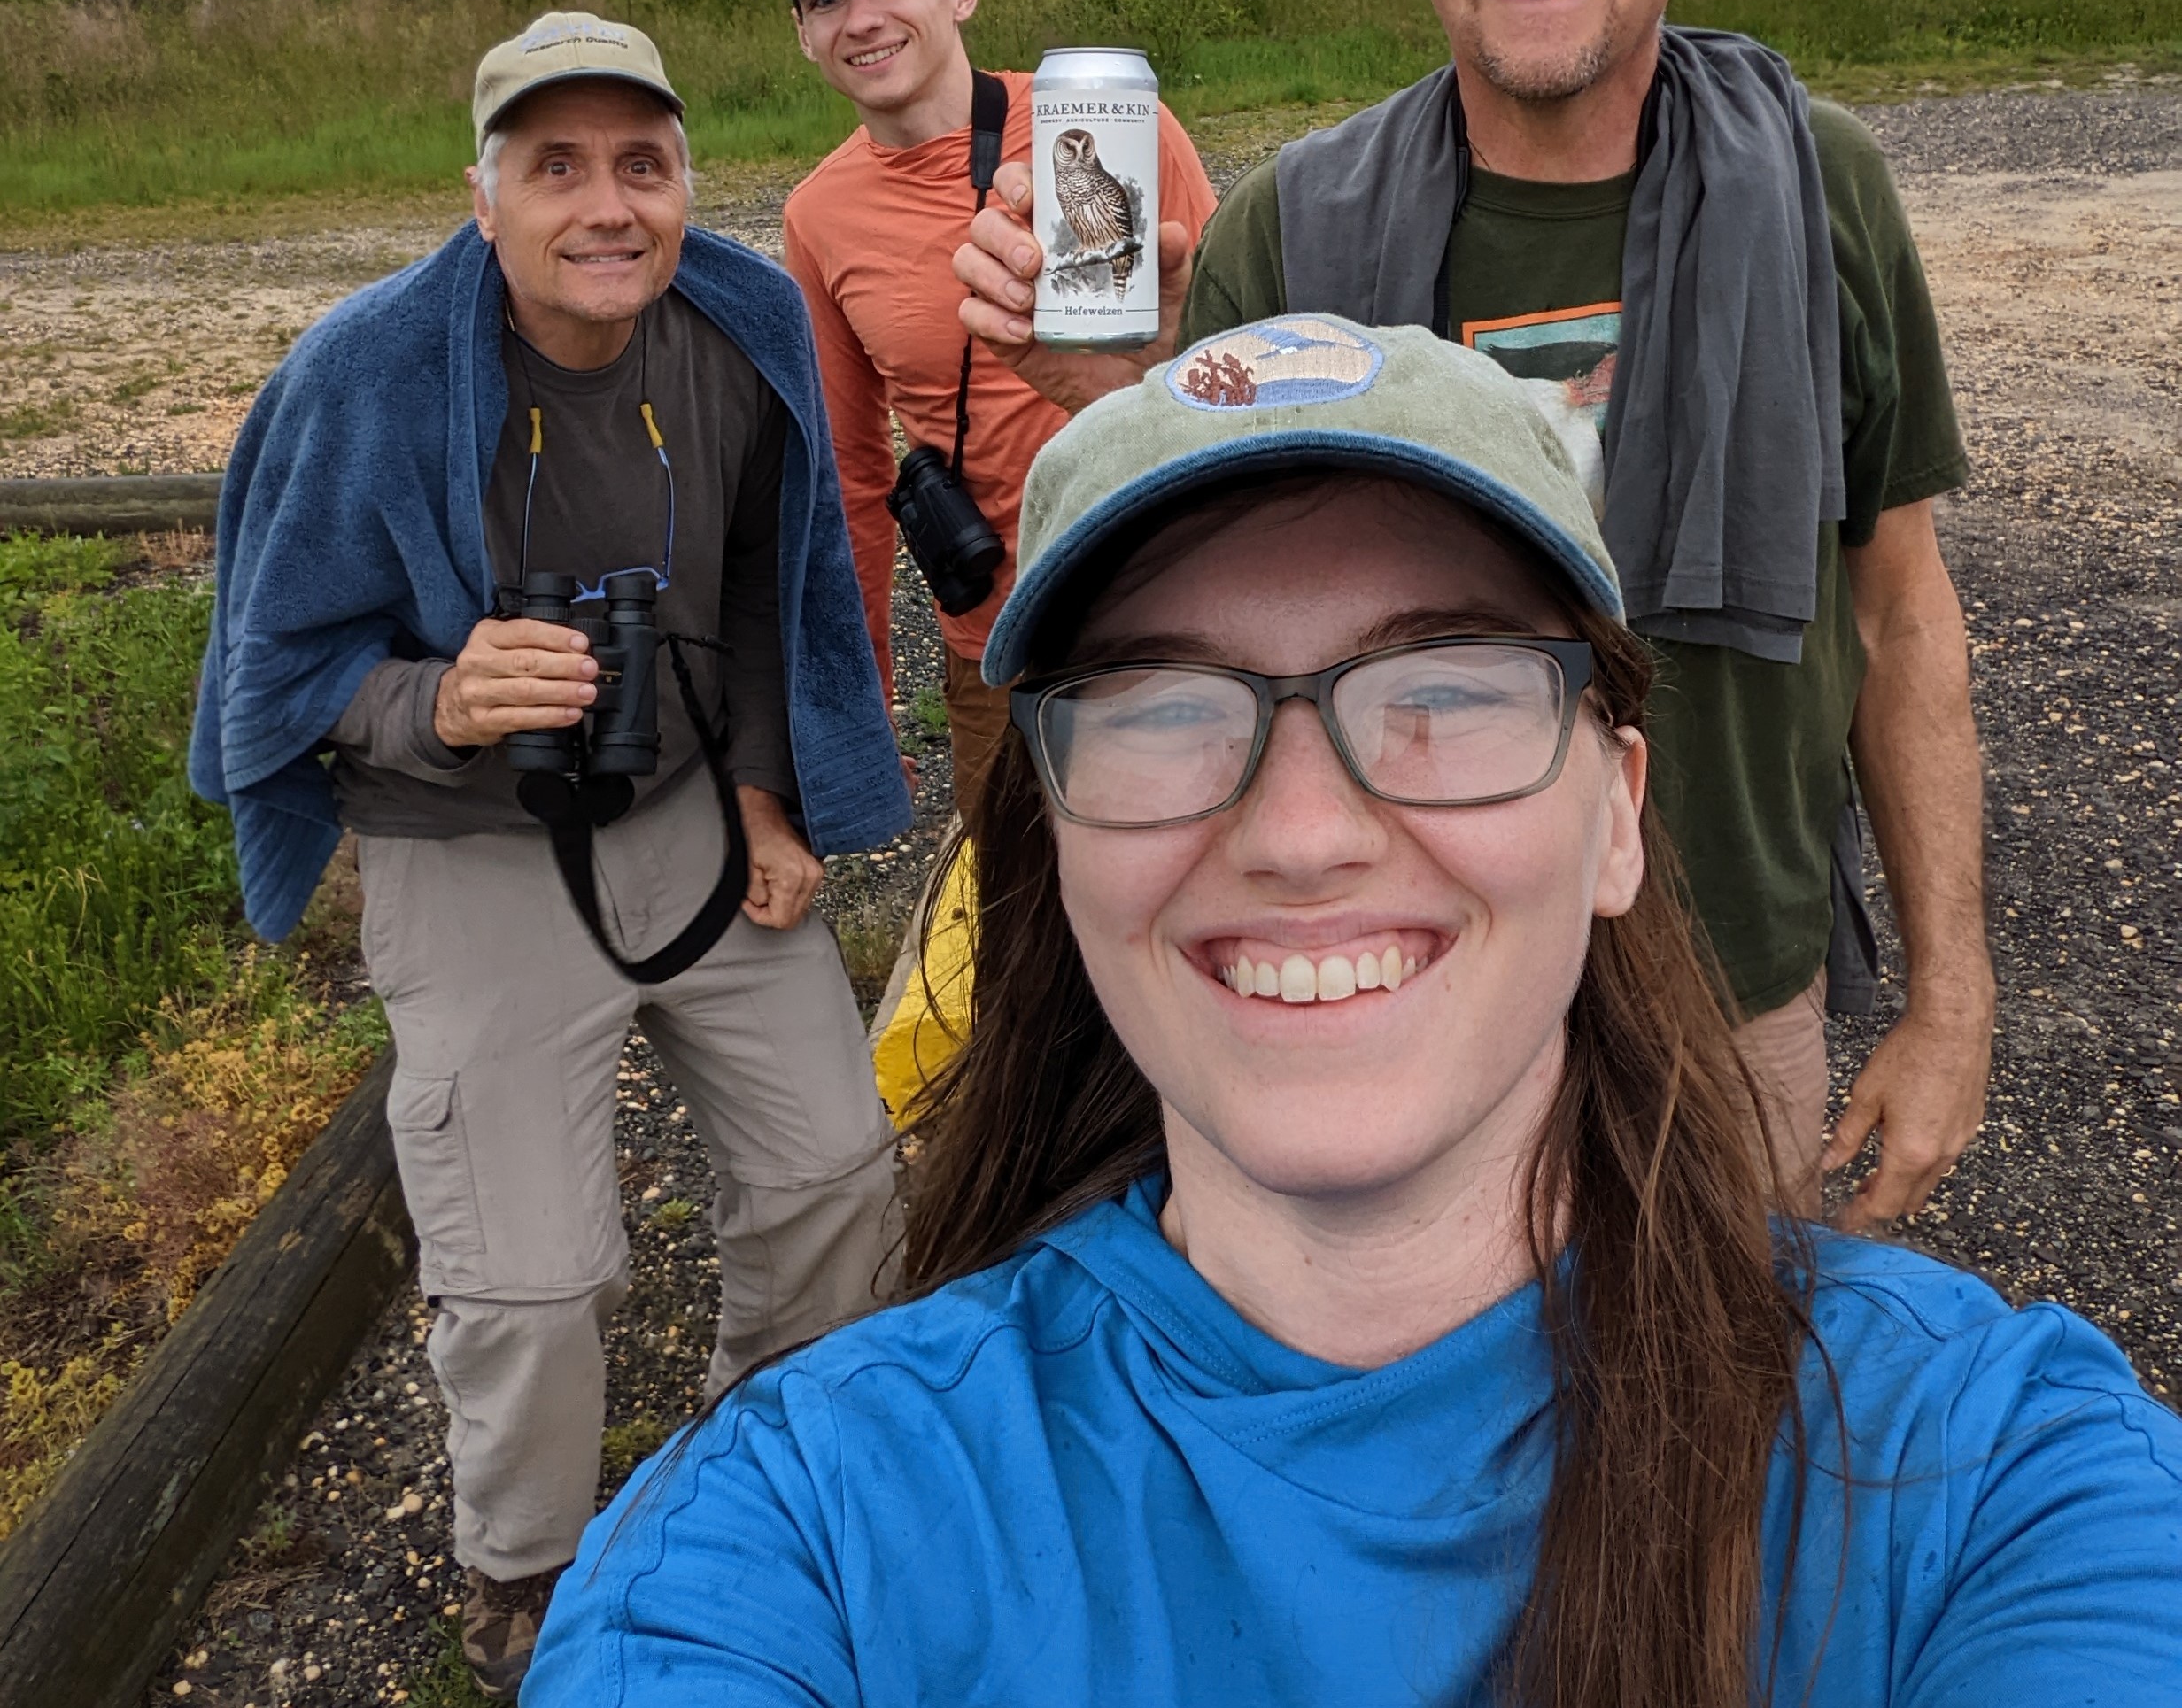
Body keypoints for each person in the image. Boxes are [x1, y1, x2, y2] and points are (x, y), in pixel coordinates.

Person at [525, 313, 2182, 1705]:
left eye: (1443, 689)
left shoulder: (1987, 1479)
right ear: (1052, 833)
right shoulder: (794, 1537)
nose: (1301, 833)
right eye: (1162, 705)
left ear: (1613, 814)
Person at [956, 0, 1989, 1226]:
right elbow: (1193, 637)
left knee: (1719, 1438)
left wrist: (1947, 1001)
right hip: (1379, 991)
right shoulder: (1283, 230)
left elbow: (1901, 610)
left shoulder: (1819, 185)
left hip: (1732, 987)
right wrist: (1116, 400)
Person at [190, 11, 911, 1696]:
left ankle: (762, 1452)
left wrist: (762, 786)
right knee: (526, 1282)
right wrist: (440, 701)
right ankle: (524, 1564)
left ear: (683, 184)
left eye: (640, 165)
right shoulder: (365, 373)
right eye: (556, 165)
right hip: (469, 849)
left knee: (833, 1175)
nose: (607, 206)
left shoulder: (739, 335)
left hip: (683, 818)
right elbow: (268, 674)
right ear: (483, 192)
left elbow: (771, 582)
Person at [770, 0, 1218, 823]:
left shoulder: (1116, 124)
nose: (861, 17)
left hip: (1169, 601)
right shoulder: (817, 217)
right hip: (993, 636)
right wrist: (867, 702)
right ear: (804, 35)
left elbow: (1246, 346)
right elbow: (849, 476)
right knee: (1017, 922)